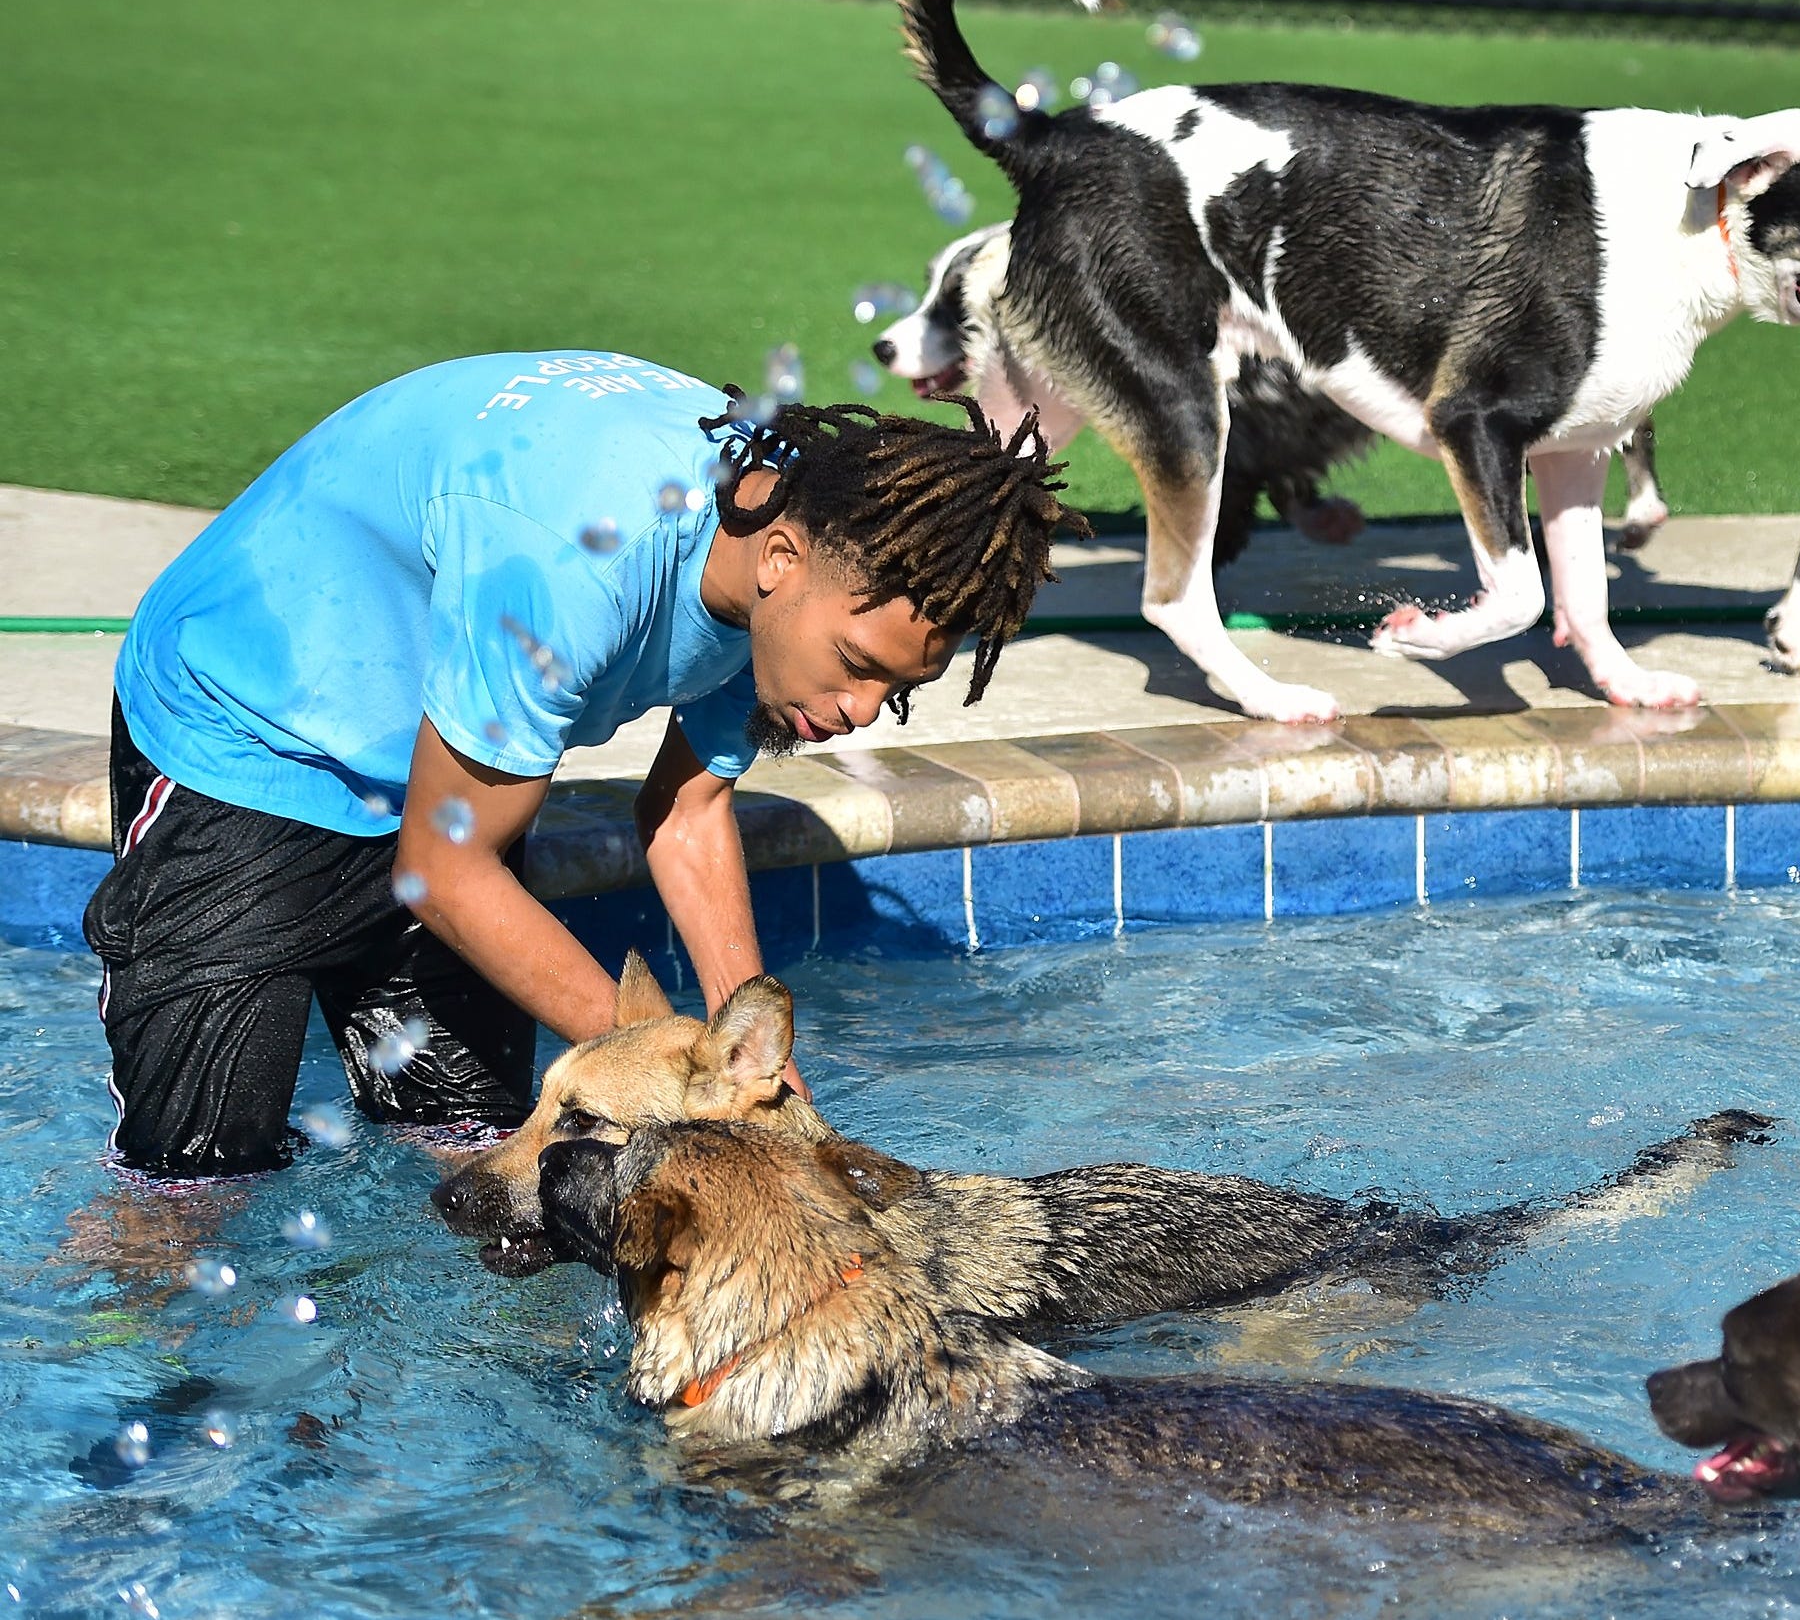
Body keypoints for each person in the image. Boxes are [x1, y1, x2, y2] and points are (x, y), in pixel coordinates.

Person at [85, 351, 1076, 1179]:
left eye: (894, 690)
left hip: (453, 783)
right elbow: (441, 872)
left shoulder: (798, 532)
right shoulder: (583, 559)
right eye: (858, 668)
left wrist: (756, 1079)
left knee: (487, 1169)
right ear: (780, 560)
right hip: (250, 737)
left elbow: (683, 818)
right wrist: (674, 1077)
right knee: (196, 1198)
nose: (859, 713)